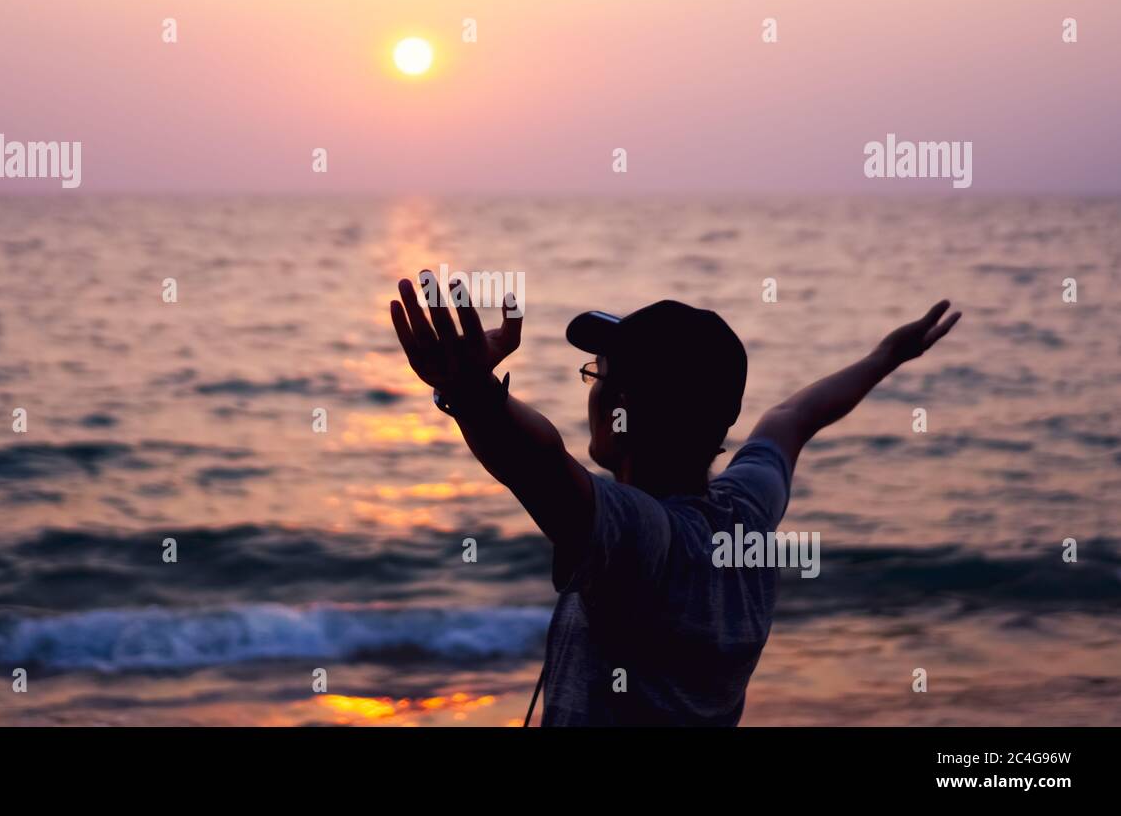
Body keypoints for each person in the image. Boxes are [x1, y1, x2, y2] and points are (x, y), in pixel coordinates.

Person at [389, 271, 961, 726]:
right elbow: (794, 416)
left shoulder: (643, 539)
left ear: (624, 407)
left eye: (598, 374)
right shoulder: (747, 515)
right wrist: (887, 355)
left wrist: (470, 392)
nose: (590, 389)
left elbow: (536, 462)